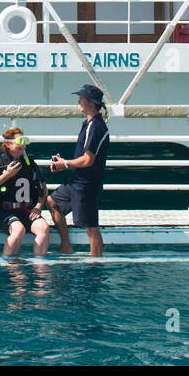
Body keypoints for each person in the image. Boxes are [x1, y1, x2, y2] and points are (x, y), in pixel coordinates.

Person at [48, 84, 110, 256]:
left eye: (81, 98)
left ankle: (95, 262)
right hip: (75, 182)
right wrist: (63, 165)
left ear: (90, 102)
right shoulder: (88, 124)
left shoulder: (96, 126)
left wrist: (65, 164)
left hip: (86, 185)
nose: (78, 102)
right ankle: (66, 245)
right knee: (52, 202)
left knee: (91, 227)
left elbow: (88, 160)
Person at [0, 127, 50, 257]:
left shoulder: (29, 163)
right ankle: (9, 263)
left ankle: (39, 265)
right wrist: (6, 175)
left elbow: (43, 187)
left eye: (24, 142)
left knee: (43, 228)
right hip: (3, 211)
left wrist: (39, 206)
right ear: (8, 144)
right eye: (19, 141)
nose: (22, 145)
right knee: (18, 230)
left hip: (25, 210)